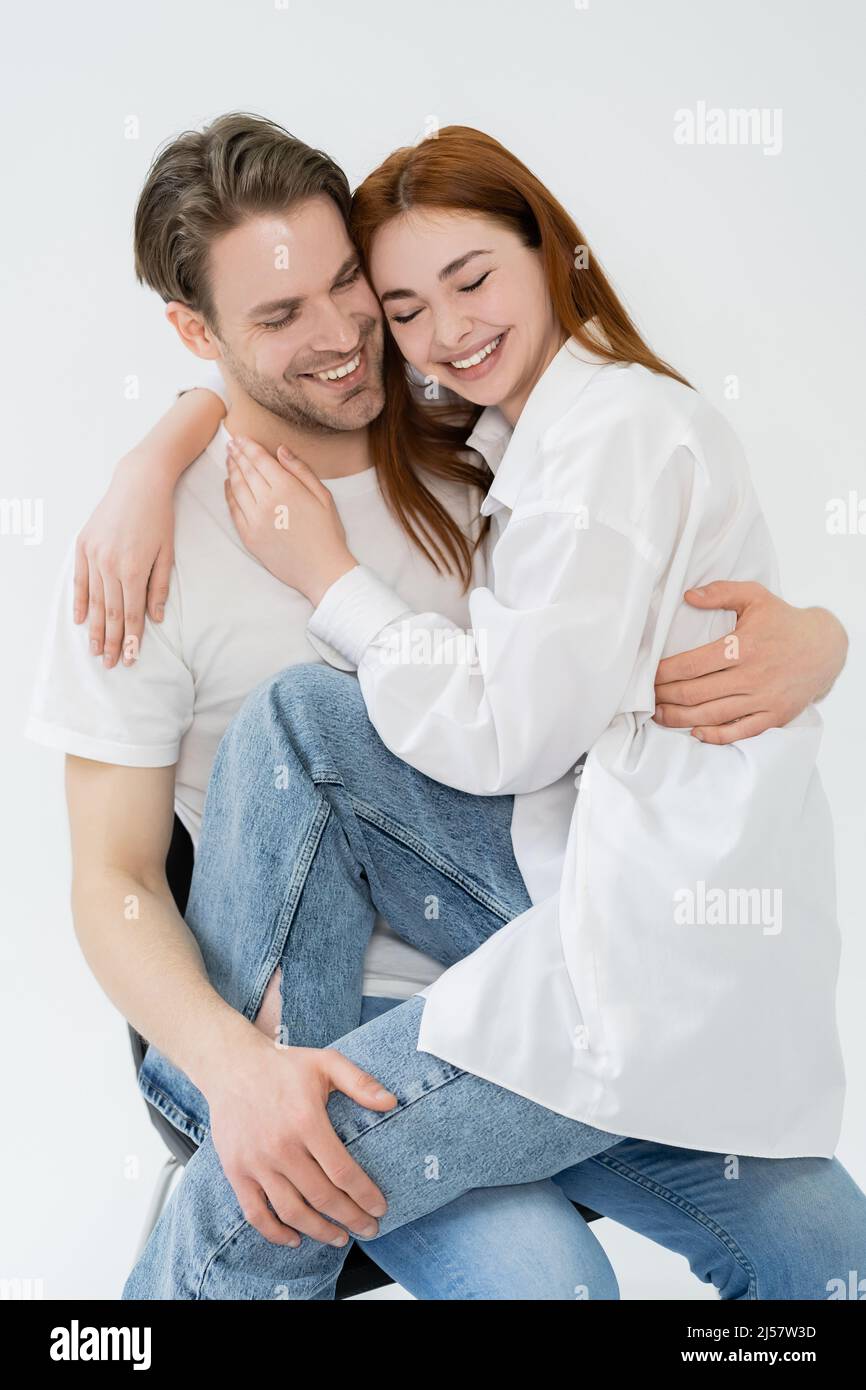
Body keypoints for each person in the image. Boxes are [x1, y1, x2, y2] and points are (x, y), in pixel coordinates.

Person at [54, 117, 860, 1298]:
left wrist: (821, 644)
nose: (343, 340)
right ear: (194, 332)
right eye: (280, 318)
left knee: (830, 1254)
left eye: (347, 288)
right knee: (545, 1285)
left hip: (546, 942)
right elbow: (110, 880)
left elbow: (629, 577)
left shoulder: (470, 444)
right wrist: (236, 1073)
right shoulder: (142, 556)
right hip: (327, 1021)